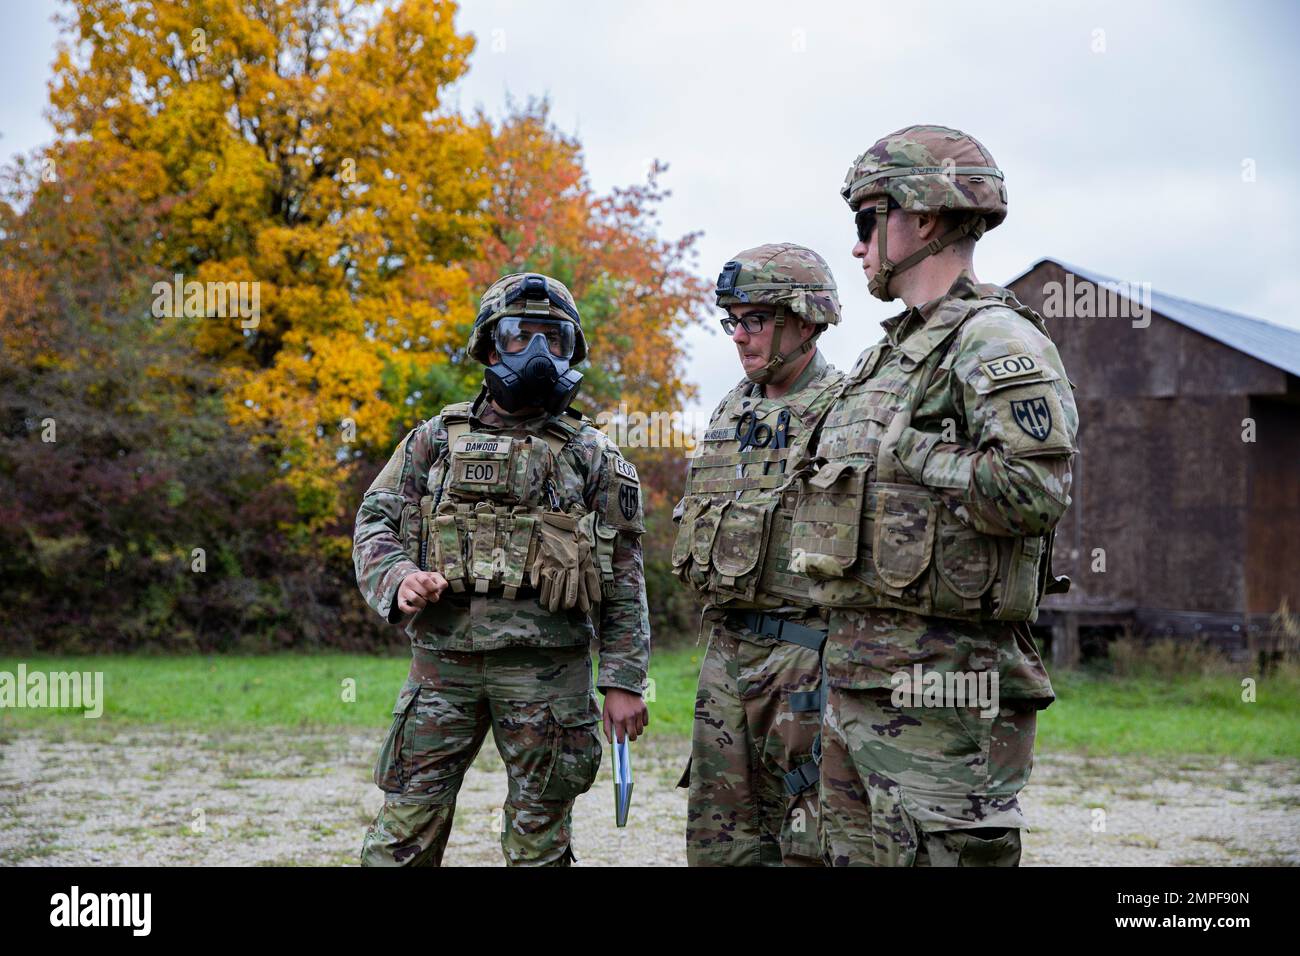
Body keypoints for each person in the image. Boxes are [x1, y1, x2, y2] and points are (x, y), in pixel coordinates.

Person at [790, 126, 1078, 866]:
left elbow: (1035, 490)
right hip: (858, 681)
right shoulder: (888, 356)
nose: (856, 246)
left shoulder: (993, 341)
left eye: (865, 221)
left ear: (920, 217)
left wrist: (915, 451)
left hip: (944, 694)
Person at [354, 272, 650, 866]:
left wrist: (622, 679)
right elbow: (375, 522)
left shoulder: (593, 454)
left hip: (547, 677)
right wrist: (398, 579)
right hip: (443, 667)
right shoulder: (434, 439)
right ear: (490, 347)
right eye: (520, 336)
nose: (538, 352)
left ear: (572, 349)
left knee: (539, 841)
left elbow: (623, 572)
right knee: (401, 835)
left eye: (554, 338)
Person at [674, 242, 844, 865]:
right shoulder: (730, 410)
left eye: (755, 320)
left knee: (806, 837)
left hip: (803, 657)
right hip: (725, 654)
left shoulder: (844, 412)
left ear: (805, 320)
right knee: (719, 840)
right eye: (732, 321)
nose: (739, 337)